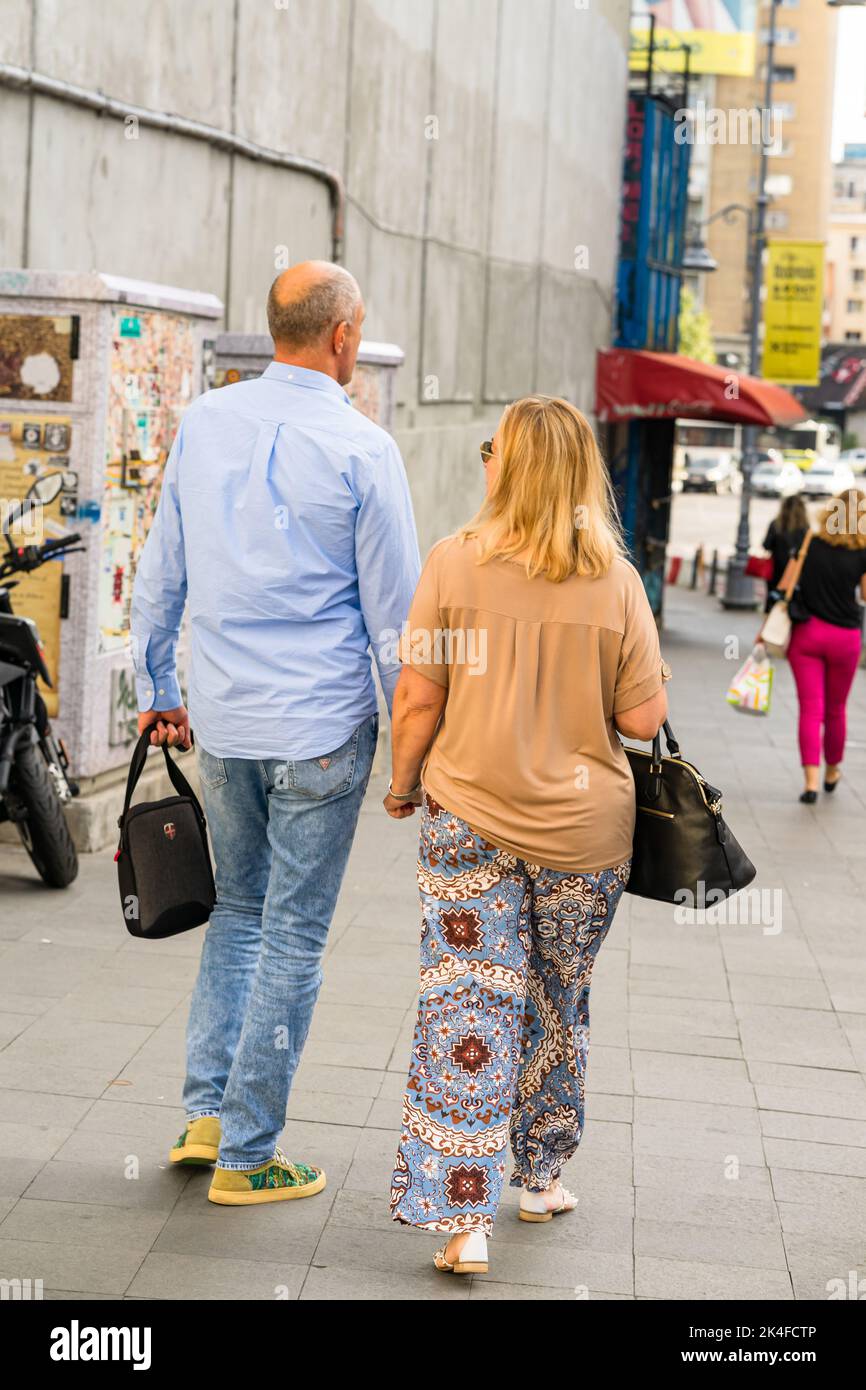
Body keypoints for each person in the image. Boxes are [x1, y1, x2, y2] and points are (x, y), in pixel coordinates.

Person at [130, 261, 420, 1205]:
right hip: (322, 729)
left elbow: (163, 563)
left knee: (240, 916)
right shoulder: (365, 449)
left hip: (223, 717)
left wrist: (159, 682)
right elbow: (394, 623)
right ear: (343, 337)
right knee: (293, 936)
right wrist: (411, 757)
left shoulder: (207, 423)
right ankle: (250, 1158)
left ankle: (206, 1116)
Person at [384, 395, 669, 1275]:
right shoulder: (616, 580)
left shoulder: (452, 564)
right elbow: (642, 715)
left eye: (490, 449)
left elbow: (418, 697)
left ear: (507, 467)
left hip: (469, 817)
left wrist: (401, 786)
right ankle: (541, 1176)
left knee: (468, 1003)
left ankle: (465, 1222)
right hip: (586, 838)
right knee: (556, 996)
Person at [784, 488, 866, 804]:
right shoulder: (862, 552)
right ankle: (832, 771)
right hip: (845, 638)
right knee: (836, 709)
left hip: (807, 634)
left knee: (810, 708)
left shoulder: (810, 543)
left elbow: (785, 584)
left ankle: (811, 782)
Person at [761, 494, 808, 613]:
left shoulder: (776, 524)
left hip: (776, 570)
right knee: (792, 602)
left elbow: (766, 545)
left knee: (773, 601)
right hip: (796, 572)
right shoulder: (805, 528)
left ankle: (771, 625)